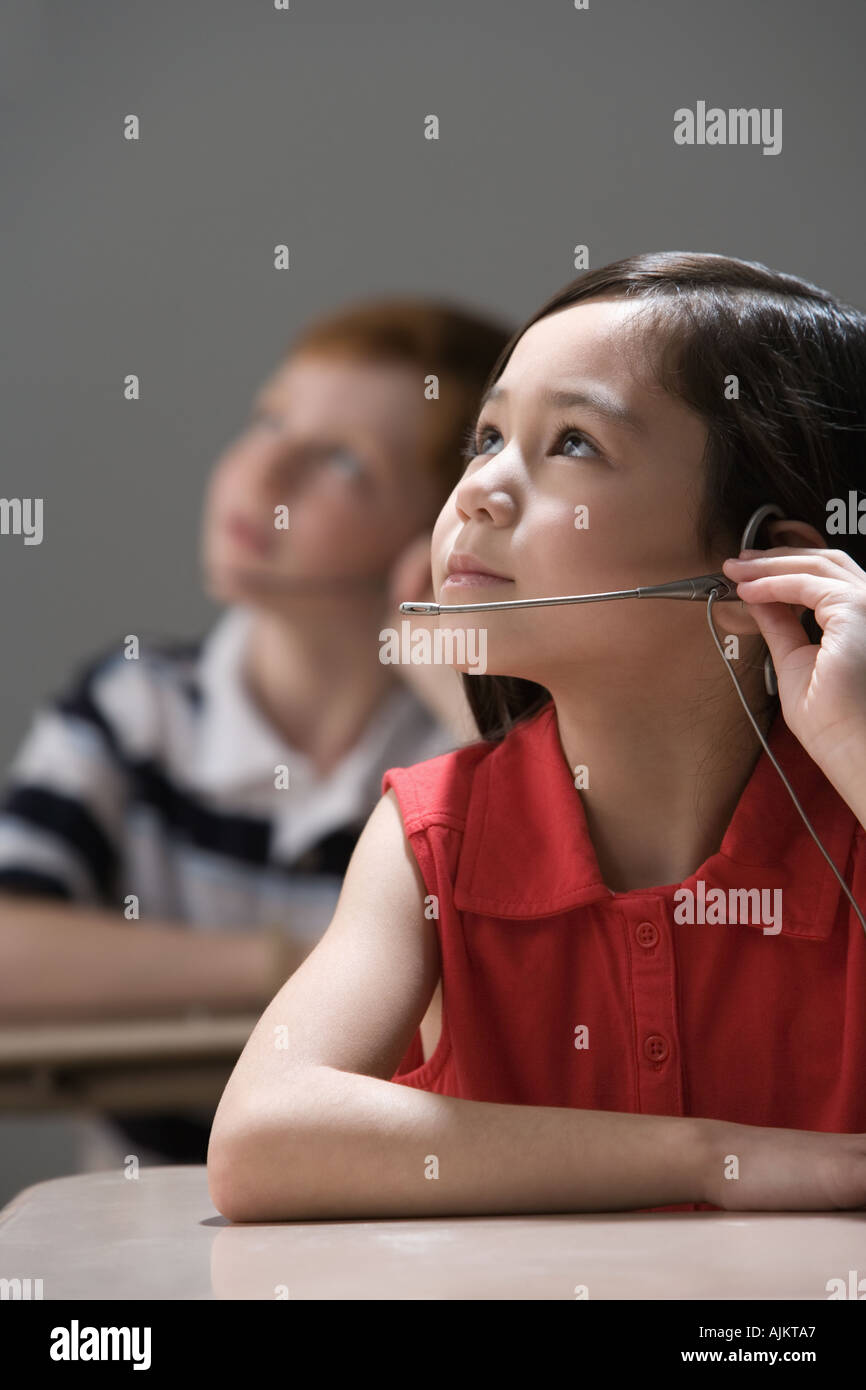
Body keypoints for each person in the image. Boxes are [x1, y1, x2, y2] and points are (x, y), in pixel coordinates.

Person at [208, 251, 866, 1221]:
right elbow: (263, 1139)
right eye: (486, 437)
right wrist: (711, 1158)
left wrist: (853, 743)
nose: (478, 490)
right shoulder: (433, 835)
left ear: (758, 574)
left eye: (571, 444)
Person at [0, 296, 513, 1164]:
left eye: (342, 463)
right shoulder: (133, 708)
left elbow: (552, 968)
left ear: (437, 528)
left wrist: (452, 674)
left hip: (401, 1235)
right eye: (270, 420)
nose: (261, 475)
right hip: (151, 1241)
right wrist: (304, 963)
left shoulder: (462, 747)